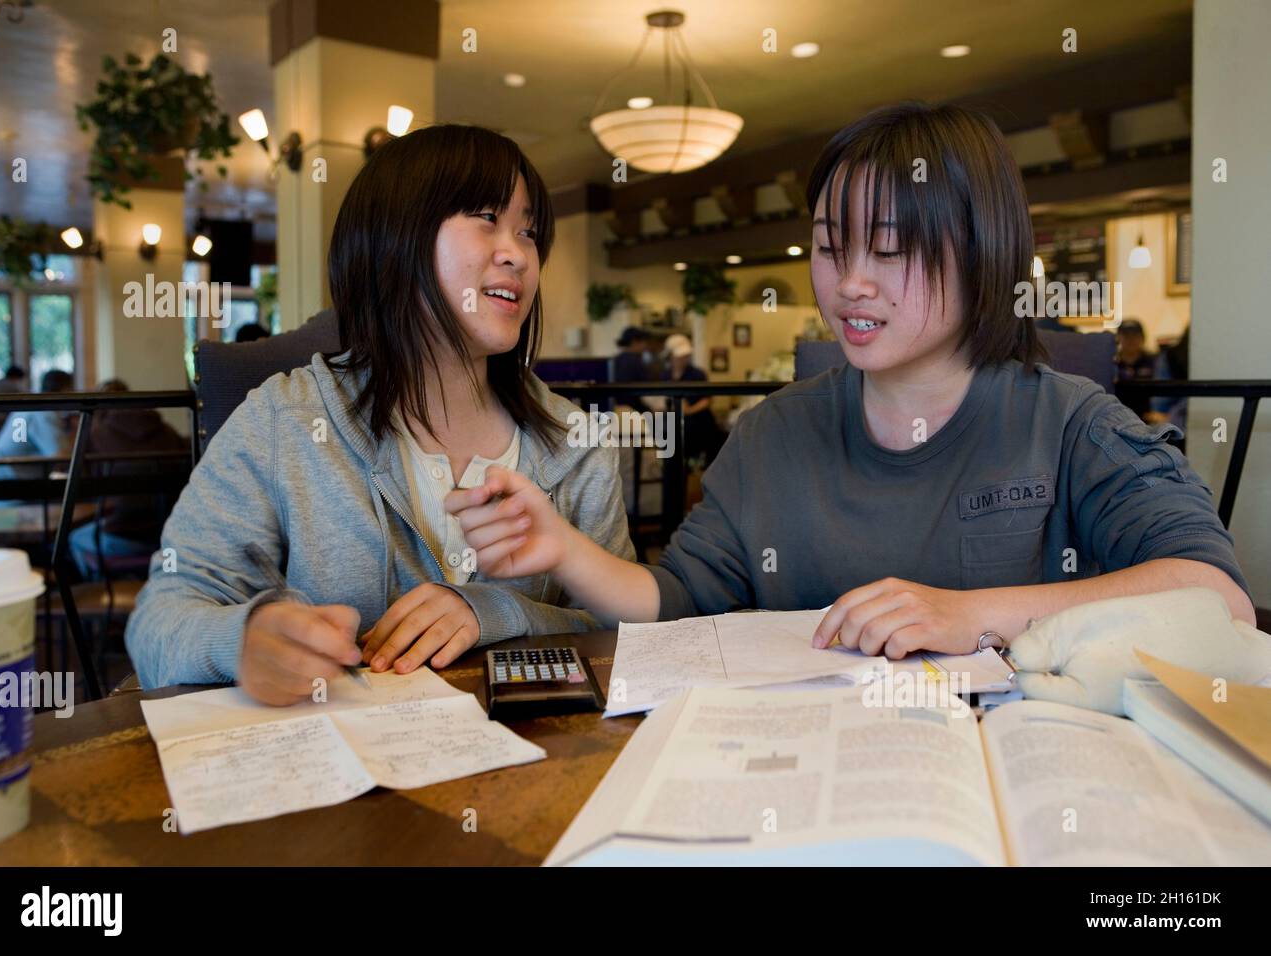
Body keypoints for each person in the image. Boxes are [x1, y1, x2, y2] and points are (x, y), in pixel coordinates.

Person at [447, 101, 1253, 664]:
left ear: (982, 253)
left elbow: (1217, 598)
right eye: (831, 248)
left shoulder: (1070, 423)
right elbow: (680, 599)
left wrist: (967, 614)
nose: (850, 284)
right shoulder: (772, 435)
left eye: (891, 248)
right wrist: (564, 548)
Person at [125, 125, 634, 703]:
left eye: (529, 231)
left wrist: (497, 611)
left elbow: (623, 628)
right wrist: (239, 641)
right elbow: (160, 620)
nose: (518, 253)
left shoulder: (576, 440)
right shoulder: (284, 420)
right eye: (486, 219)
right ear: (396, 237)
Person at [68, 379, 190, 580]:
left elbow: (83, 482)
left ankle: (99, 590)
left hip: (121, 533)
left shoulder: (96, 434)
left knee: (74, 538)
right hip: (167, 534)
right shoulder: (166, 430)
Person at [0, 369, 75, 484]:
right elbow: (61, 456)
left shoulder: (30, 406)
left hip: (2, 482)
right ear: (65, 389)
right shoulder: (43, 412)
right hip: (18, 489)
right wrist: (75, 433)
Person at [662, 333, 725, 468]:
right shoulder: (665, 375)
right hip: (674, 425)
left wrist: (689, 410)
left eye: (685, 356)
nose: (683, 359)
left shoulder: (697, 374)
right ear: (670, 356)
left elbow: (707, 400)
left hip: (699, 423)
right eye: (680, 356)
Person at [1114, 318, 1157, 421]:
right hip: (1117, 417)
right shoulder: (1110, 364)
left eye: (1135, 335)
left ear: (1143, 338)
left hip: (1149, 419)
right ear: (1118, 338)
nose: (1131, 339)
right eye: (1126, 336)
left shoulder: (1154, 362)